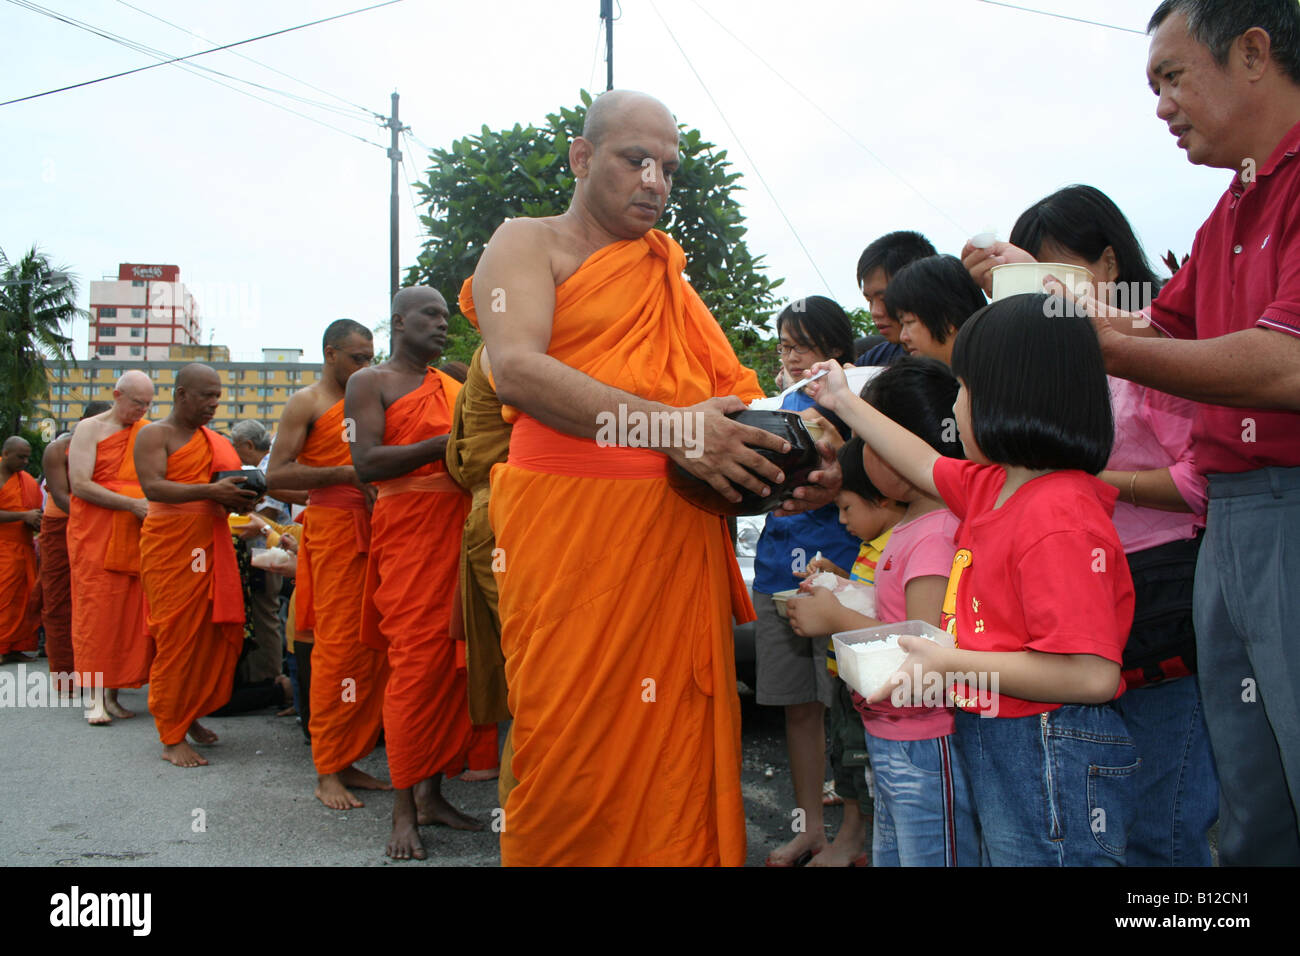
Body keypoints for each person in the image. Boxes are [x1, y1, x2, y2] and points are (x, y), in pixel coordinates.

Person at [464, 89, 788, 866]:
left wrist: (789, 452)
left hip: (671, 538)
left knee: (672, 738)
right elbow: (517, 371)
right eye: (634, 160)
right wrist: (678, 429)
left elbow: (734, 398)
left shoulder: (664, 276)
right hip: (569, 535)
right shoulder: (527, 241)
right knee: (567, 736)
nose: (655, 181)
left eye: (668, 168)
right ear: (581, 158)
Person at [1077, 0, 1300, 865]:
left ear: (1253, 53)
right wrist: (1050, 308)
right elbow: (1164, 333)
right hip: (1233, 523)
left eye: (1173, 78)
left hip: (1285, 509)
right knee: (1252, 798)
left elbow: (1286, 365)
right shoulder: (1234, 205)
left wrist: (1093, 341)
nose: (1162, 107)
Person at [807, 294, 1138, 866]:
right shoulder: (995, 488)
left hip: (1050, 746)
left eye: (963, 388)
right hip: (1004, 737)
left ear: (1010, 395)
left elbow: (1092, 675)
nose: (954, 407)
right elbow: (917, 459)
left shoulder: (1058, 516)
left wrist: (950, 661)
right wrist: (844, 401)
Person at [964, 183, 1219, 865]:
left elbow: (1200, 482)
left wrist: (1083, 480)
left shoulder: (1154, 359)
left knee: (1162, 824)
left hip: (1159, 611)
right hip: (1070, 612)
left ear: (1108, 267)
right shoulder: (1054, 364)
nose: (1040, 292)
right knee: (1095, 815)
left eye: (1050, 271)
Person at [789, 357, 976, 867]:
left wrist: (836, 619)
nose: (861, 456)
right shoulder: (909, 528)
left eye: (870, 442)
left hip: (924, 739)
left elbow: (925, 650)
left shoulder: (936, 533)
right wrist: (845, 592)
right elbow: (895, 611)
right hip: (892, 733)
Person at [345, 286, 481, 860]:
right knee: (415, 668)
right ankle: (402, 811)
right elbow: (365, 462)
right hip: (408, 529)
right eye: (430, 315)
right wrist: (445, 443)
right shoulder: (368, 383)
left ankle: (432, 796)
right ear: (398, 322)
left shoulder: (454, 387)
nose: (442, 325)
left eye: (447, 317)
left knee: (456, 667)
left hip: (461, 530)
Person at [750, 296, 859, 867]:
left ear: (836, 348)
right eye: (784, 344)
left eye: (802, 345)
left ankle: (858, 833)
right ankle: (811, 828)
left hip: (842, 571)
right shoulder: (775, 406)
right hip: (776, 572)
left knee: (856, 706)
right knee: (797, 706)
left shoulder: (862, 400)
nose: (790, 356)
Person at [267, 318, 393, 811]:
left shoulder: (373, 396)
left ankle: (350, 757)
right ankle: (326, 770)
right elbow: (275, 476)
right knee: (337, 650)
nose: (366, 365)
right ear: (330, 353)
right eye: (358, 358)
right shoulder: (308, 402)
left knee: (373, 648)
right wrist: (341, 478)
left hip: (378, 527)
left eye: (371, 357)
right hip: (335, 532)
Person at [134, 364, 259, 768]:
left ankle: (189, 717)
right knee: (176, 639)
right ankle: (171, 735)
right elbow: (153, 486)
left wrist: (241, 499)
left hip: (214, 538)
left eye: (217, 396)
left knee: (210, 635)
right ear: (181, 393)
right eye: (206, 396)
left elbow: (225, 486)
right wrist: (210, 490)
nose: (213, 404)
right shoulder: (155, 434)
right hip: (173, 544)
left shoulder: (217, 441)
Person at [799, 437, 906, 866]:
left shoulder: (895, 548)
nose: (842, 520)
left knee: (867, 770)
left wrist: (831, 608)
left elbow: (885, 616)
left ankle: (874, 846)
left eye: (847, 508)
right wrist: (835, 577)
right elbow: (861, 594)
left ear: (881, 500)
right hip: (847, 679)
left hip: (874, 687)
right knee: (845, 761)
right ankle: (864, 845)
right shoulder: (869, 547)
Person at [67, 372, 156, 725]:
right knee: (97, 611)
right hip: (97, 529)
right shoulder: (89, 429)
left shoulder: (145, 430)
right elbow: (80, 484)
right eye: (137, 402)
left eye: (148, 403)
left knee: (128, 612)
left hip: (134, 532)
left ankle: (115, 693)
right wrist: (129, 504)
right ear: (117, 395)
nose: (142, 410)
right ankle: (94, 697)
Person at [443, 343, 512, 784]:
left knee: (522, 662)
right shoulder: (509, 355)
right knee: (539, 665)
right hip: (508, 515)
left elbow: (454, 461)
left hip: (492, 512)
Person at [39, 402, 112, 686]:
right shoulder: (58, 449)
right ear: (81, 421)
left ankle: (103, 675)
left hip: (103, 530)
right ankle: (66, 676)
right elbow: (59, 495)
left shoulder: (115, 447)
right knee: (59, 601)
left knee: (100, 603)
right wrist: (97, 518)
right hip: (62, 525)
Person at [884, 255, 986, 367]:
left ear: (948, 319)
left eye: (909, 322)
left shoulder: (997, 375)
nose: (903, 337)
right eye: (902, 324)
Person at [854, 231, 938, 366]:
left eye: (884, 299)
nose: (875, 312)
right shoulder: (873, 361)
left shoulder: (971, 357)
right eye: (869, 301)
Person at [0, 436, 42, 663]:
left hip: (23, 545)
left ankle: (15, 648)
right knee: (3, 598)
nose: (25, 461)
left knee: (24, 600)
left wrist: (34, 520)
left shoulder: (26, 480)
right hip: (3, 547)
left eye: (27, 457)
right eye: (20, 456)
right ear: (6, 454)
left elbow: (34, 509)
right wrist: (22, 516)